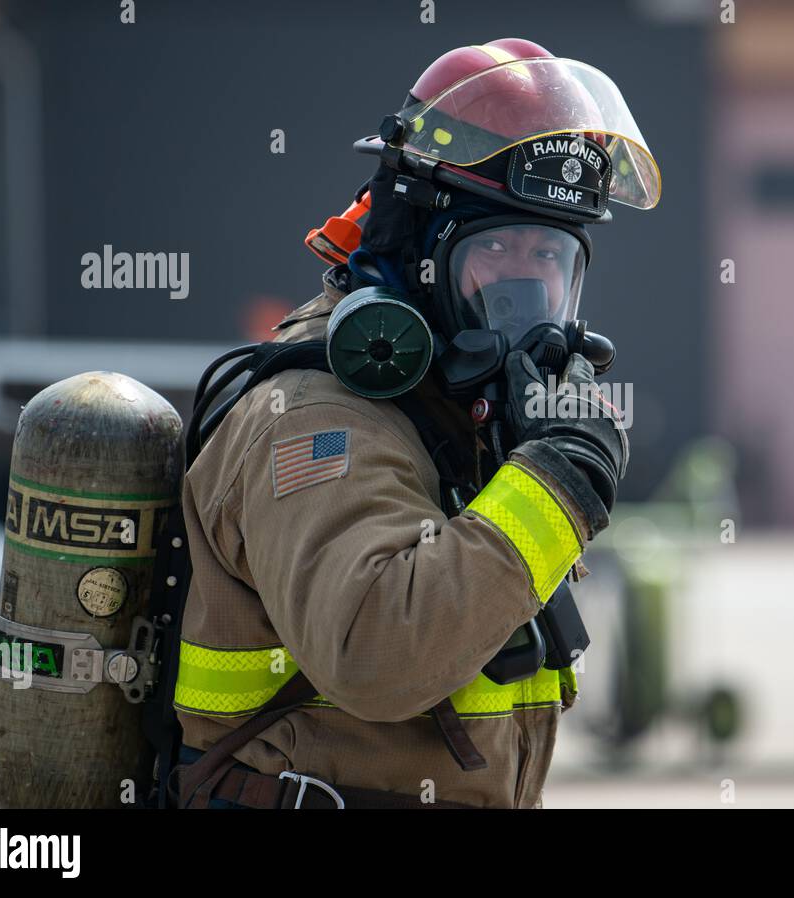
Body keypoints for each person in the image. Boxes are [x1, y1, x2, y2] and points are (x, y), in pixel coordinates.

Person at [169, 38, 660, 809]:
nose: (525, 286)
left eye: (551, 256)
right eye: (495, 246)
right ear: (419, 251)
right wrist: (558, 482)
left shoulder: (458, 412)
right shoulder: (315, 415)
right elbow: (378, 654)